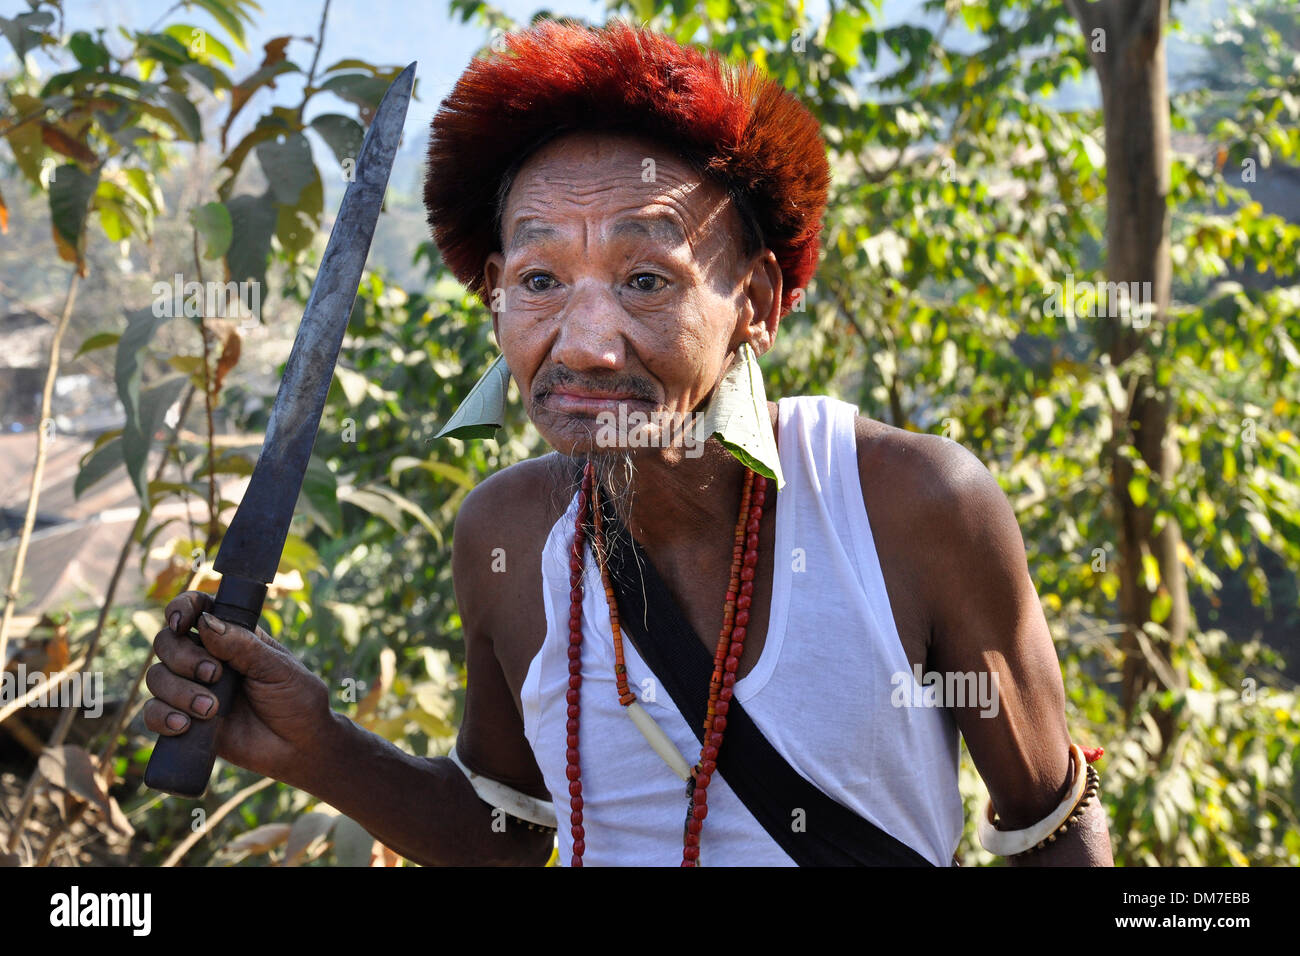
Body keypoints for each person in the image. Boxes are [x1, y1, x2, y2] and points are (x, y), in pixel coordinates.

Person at [145, 19, 1113, 867]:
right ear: (493, 292)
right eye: (539, 280)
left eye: (646, 278)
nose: (584, 341)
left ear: (758, 301)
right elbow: (505, 829)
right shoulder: (511, 532)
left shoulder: (909, 505)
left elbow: (1051, 827)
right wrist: (315, 743)